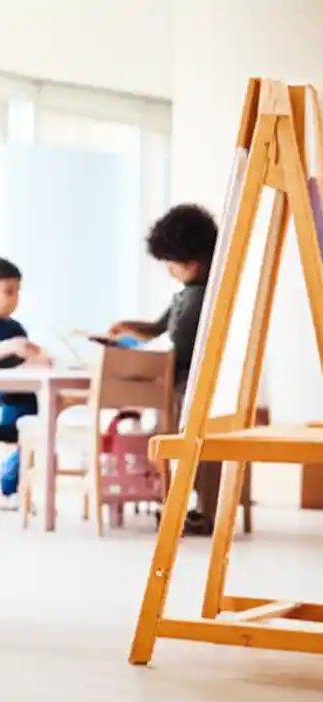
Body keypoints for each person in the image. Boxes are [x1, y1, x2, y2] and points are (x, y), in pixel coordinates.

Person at [109, 203, 220, 535]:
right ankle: (169, 495)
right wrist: (128, 327)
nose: (169, 271)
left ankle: (183, 501)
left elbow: (179, 347)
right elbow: (157, 328)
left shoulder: (200, 298)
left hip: (185, 384)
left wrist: (138, 347)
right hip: (176, 380)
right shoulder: (185, 295)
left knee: (173, 428)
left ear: (191, 264)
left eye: (171, 265)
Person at [0, 257, 38, 509]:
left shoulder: (17, 326)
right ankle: (8, 486)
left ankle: (16, 486)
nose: (14, 298)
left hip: (30, 393)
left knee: (32, 437)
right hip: (11, 395)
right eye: (8, 291)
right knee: (18, 438)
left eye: (17, 291)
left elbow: (26, 354)